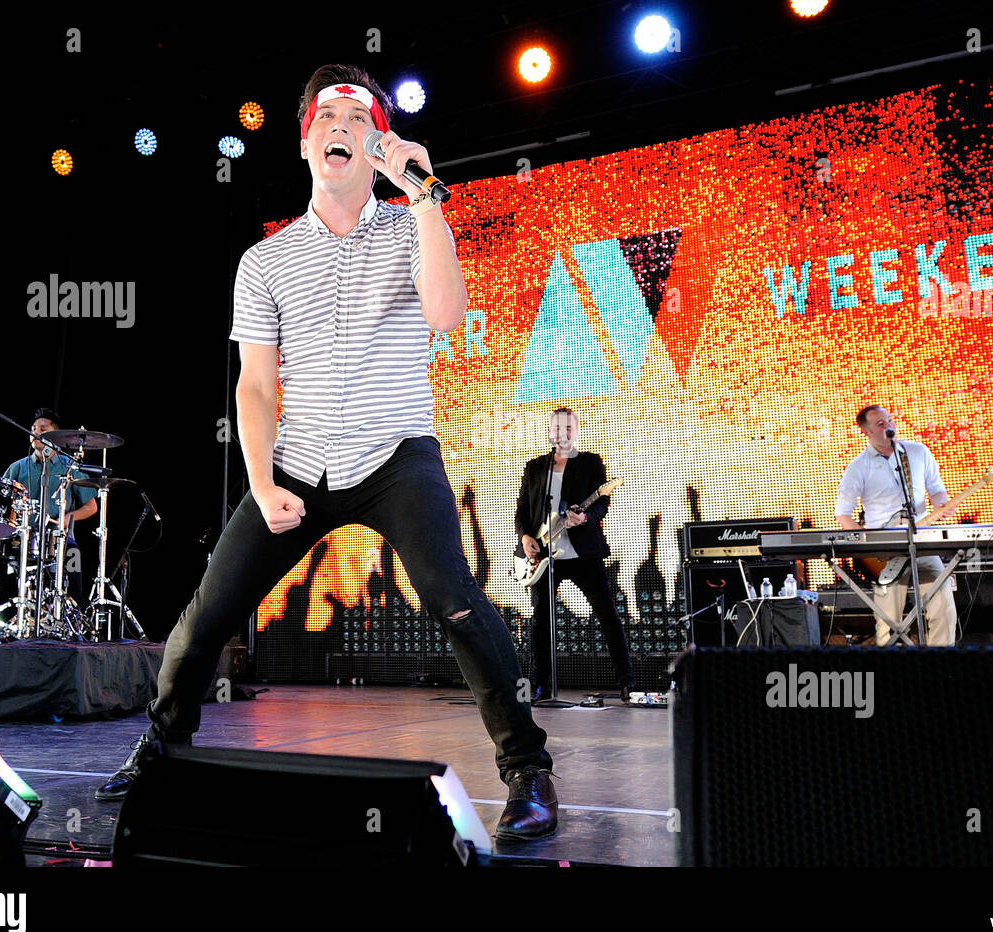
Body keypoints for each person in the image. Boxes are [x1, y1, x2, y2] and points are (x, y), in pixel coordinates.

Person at [94, 65, 557, 841]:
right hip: (300, 464)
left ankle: (528, 772)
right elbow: (254, 388)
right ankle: (162, 745)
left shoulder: (415, 223)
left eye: (357, 118)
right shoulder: (265, 261)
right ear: (306, 140)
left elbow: (446, 315)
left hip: (396, 455)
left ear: (378, 142)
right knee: (205, 616)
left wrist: (426, 194)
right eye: (326, 118)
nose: (339, 127)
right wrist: (262, 481)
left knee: (459, 601)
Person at [516, 407, 633, 701]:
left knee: (607, 614)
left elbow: (600, 505)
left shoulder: (591, 463)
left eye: (568, 427)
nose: (562, 433)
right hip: (543, 557)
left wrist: (586, 517)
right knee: (540, 621)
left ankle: (627, 681)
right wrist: (526, 536)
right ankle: (540, 684)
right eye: (557, 427)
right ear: (550, 431)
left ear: (576, 431)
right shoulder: (535, 467)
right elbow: (522, 510)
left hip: (583, 553)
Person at [834, 404, 957, 646]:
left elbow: (937, 492)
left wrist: (943, 505)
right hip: (885, 552)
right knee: (889, 622)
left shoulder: (918, 452)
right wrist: (868, 547)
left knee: (943, 608)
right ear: (867, 432)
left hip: (922, 542)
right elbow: (843, 514)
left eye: (890, 420)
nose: (889, 426)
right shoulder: (858, 466)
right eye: (880, 424)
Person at [2, 407, 97, 603]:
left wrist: (64, 519)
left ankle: (72, 618)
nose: (35, 433)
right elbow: (3, 503)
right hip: (23, 538)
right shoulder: (17, 467)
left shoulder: (70, 466)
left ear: (55, 435)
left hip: (60, 538)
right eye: (33, 428)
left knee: (74, 562)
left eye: (42, 429)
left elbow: (91, 507)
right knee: (3, 565)